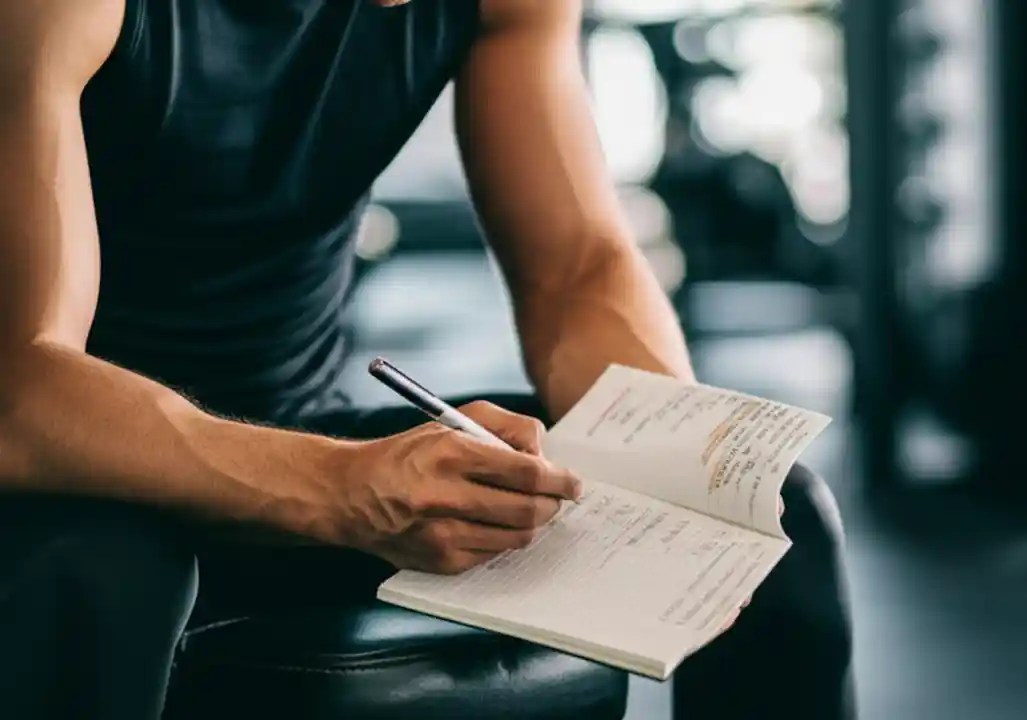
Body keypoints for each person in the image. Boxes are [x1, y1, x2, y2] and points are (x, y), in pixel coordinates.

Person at [0, 0, 856, 717]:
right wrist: (340, 486)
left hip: (297, 432)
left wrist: (673, 473)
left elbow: (575, 269)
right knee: (103, 569)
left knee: (772, 522)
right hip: (72, 471)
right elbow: (21, 396)